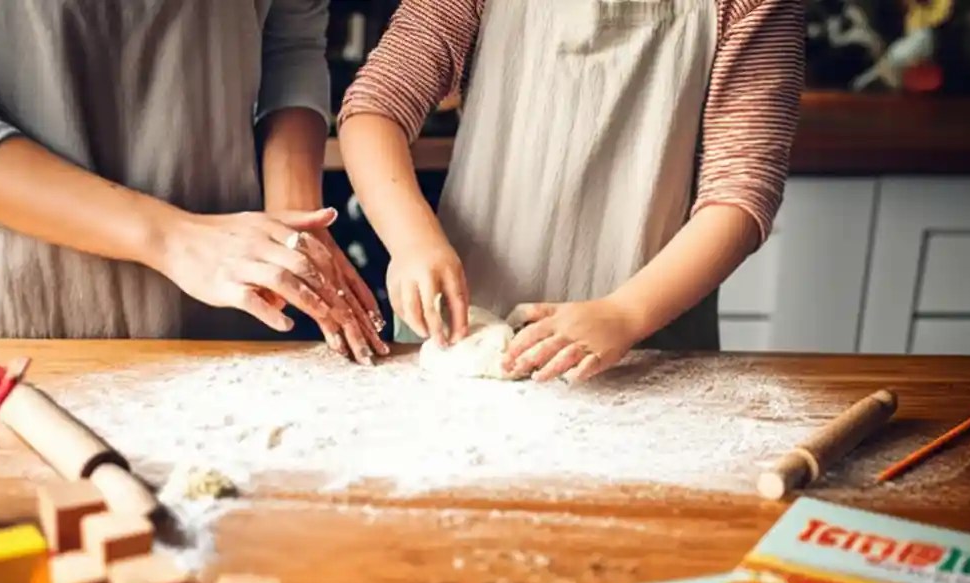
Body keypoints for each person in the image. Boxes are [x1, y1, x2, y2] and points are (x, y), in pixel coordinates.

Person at [0, 0, 387, 364]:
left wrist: (293, 231)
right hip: (30, 316)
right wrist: (175, 239)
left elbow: (291, 44)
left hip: (236, 299)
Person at [338, 0, 804, 382]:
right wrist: (413, 241)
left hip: (646, 345)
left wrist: (624, 314)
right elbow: (375, 110)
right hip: (464, 330)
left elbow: (741, 193)